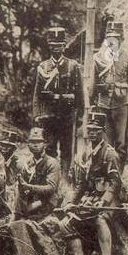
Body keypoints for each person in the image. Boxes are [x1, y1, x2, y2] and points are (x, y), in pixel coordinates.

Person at [61, 109, 124, 255]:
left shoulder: (110, 154)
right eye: (89, 130)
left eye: (96, 130)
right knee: (64, 222)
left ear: (103, 131)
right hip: (92, 197)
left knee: (100, 218)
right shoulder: (86, 154)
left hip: (111, 199)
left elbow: (116, 183)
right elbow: (81, 184)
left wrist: (103, 201)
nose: (92, 133)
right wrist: (70, 201)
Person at [31, 25, 86, 169]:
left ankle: (66, 180)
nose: (56, 48)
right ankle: (52, 177)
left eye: (59, 45)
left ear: (64, 46)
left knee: (67, 149)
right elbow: (37, 93)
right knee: (49, 148)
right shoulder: (43, 67)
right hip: (49, 115)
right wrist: (37, 114)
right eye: (53, 45)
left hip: (67, 115)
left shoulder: (72, 66)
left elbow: (80, 92)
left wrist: (80, 115)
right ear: (49, 47)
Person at [88, 20, 128, 162]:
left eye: (115, 38)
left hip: (122, 103)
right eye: (109, 38)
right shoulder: (98, 57)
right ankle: (106, 172)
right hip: (103, 103)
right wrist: (91, 101)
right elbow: (92, 82)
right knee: (104, 140)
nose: (112, 41)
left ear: (121, 39)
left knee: (121, 141)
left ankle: (119, 173)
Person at [14, 127, 61, 220]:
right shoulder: (27, 163)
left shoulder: (52, 163)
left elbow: (51, 188)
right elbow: (22, 188)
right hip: (31, 203)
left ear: (45, 144)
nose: (35, 145)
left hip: (47, 204)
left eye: (39, 142)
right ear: (28, 145)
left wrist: (29, 187)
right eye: (32, 142)